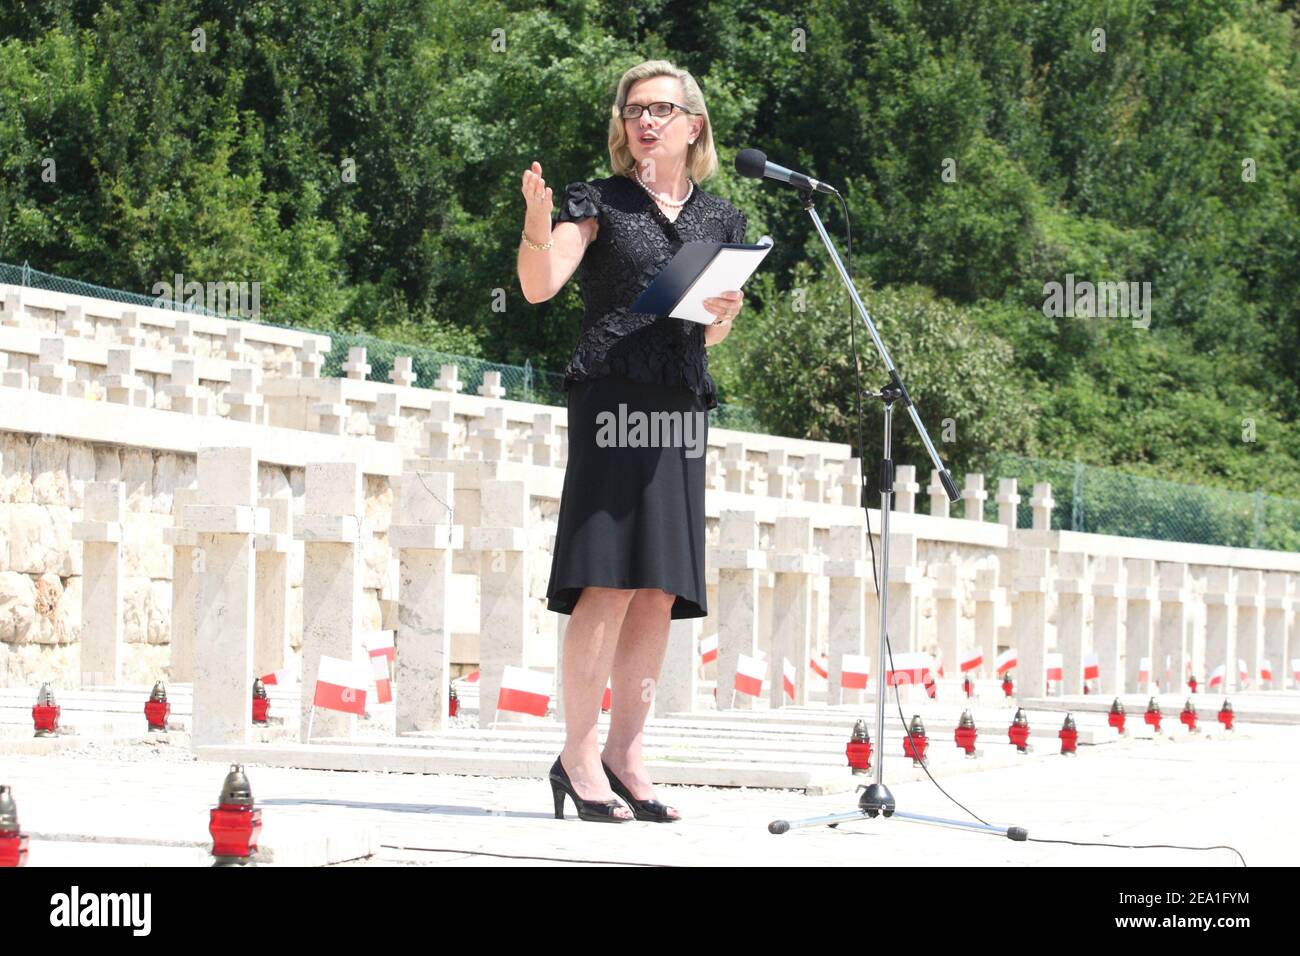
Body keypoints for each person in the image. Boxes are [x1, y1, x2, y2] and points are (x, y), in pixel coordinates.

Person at [517, 59, 747, 823]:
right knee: (608, 578)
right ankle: (576, 754)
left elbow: (708, 334)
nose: (646, 120)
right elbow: (540, 285)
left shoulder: (719, 221)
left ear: (694, 125)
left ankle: (625, 753)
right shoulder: (598, 202)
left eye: (662, 109)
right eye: (634, 109)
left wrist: (724, 312)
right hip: (612, 400)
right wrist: (533, 224)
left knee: (657, 586)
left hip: (680, 404)